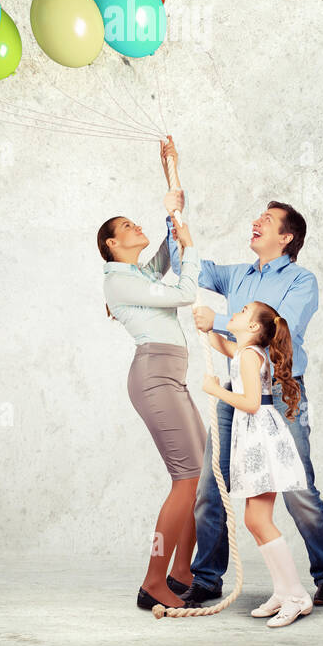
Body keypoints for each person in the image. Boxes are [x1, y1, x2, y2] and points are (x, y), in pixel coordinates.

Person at [162, 140, 323, 610]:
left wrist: (217, 324)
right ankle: (207, 577)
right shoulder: (236, 274)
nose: (257, 222)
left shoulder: (301, 281)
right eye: (257, 217)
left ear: (286, 237)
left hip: (280, 396)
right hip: (235, 396)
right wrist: (174, 213)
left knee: (298, 489)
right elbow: (186, 264)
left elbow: (274, 326)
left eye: (268, 220)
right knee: (212, 485)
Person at [98, 197, 206, 612]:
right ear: (111, 244)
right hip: (154, 378)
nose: (134, 226)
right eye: (126, 226)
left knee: (197, 481)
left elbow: (166, 255)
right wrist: (191, 247)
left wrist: (172, 213)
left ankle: (182, 573)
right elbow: (185, 290)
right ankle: (152, 582)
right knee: (186, 478)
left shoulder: (136, 274)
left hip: (170, 377)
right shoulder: (120, 282)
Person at [202, 299, 314, 626]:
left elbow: (251, 403)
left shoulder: (250, 356)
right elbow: (218, 340)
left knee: (260, 521)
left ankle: (296, 595)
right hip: (254, 437)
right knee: (254, 520)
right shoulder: (245, 351)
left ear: (252, 327)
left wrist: (214, 389)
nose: (234, 314)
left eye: (242, 312)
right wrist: (204, 323)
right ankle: (282, 591)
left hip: (260, 438)